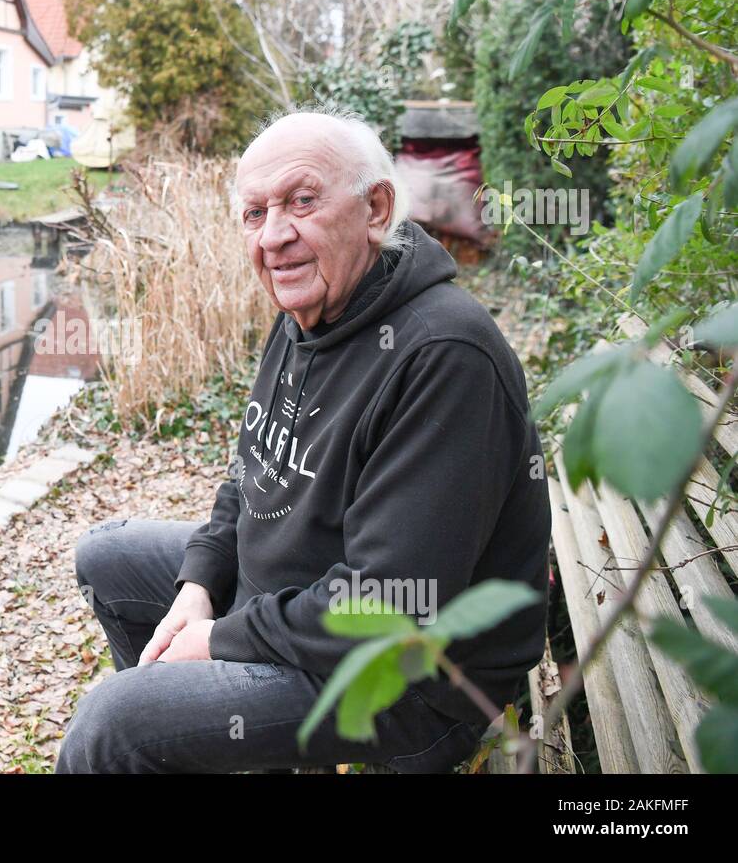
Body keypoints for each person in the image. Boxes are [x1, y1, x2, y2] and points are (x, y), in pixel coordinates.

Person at [56, 108, 551, 774]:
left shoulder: (444, 355)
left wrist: (219, 639)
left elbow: (390, 604)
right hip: (298, 600)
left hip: (409, 686)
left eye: (302, 201)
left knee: (111, 724)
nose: (273, 236)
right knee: (107, 558)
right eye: (254, 213)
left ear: (376, 209)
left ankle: (166, 733)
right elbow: (248, 475)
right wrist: (200, 583)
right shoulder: (306, 311)